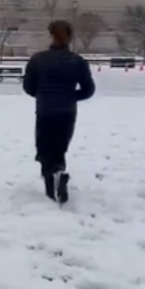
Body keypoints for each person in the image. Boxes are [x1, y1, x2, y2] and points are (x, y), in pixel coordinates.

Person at [23, 19, 96, 204]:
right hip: (67, 112)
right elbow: (88, 89)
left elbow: (28, 86)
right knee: (59, 148)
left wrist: (42, 95)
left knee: (45, 148)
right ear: (70, 38)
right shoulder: (78, 62)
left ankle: (50, 181)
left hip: (45, 111)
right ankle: (59, 173)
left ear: (51, 35)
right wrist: (71, 96)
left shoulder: (38, 60)